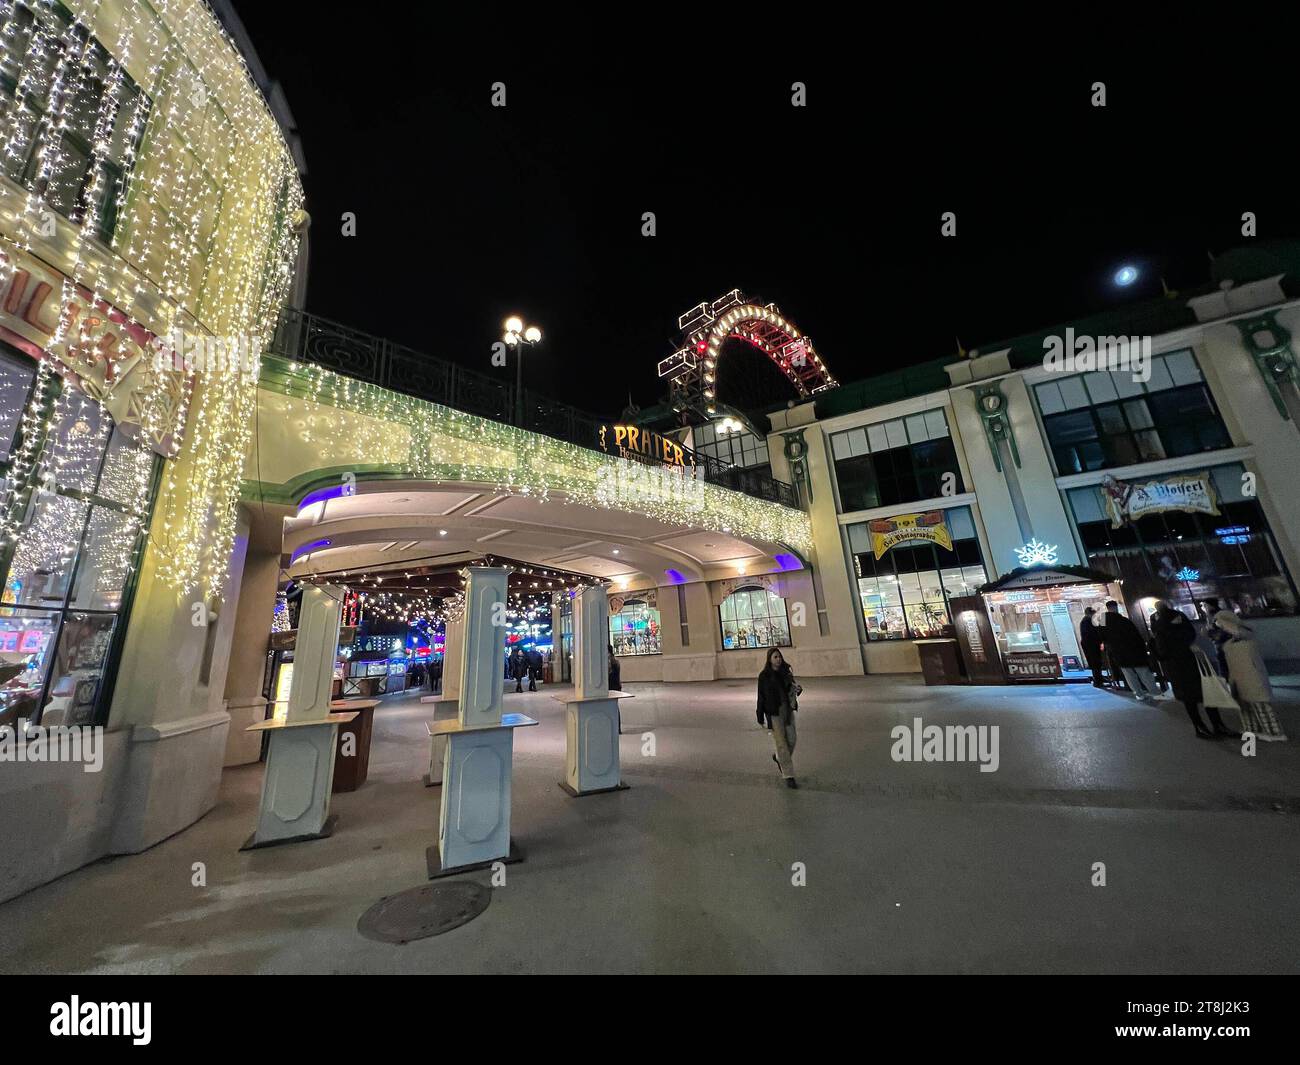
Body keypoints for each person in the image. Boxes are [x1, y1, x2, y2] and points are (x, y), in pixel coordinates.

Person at [1150, 600, 1236, 739]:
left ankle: (1200, 727)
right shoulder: (1180, 617)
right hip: (1193, 659)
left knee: (1189, 699)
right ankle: (1218, 725)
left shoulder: (1159, 625)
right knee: (1207, 692)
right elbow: (1191, 634)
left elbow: (1162, 653)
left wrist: (1153, 647)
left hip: (1176, 665)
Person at [1214, 611, 1287, 741]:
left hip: (1251, 674)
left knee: (1260, 704)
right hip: (1237, 676)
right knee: (1244, 705)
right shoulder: (1227, 639)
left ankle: (1275, 733)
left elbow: (1237, 631)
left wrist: (1222, 622)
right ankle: (1252, 729)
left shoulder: (1245, 633)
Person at [1097, 600, 1160, 703]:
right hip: (1132, 649)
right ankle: (1154, 692)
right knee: (1143, 671)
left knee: (1128, 673)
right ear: (1115, 607)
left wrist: (1109, 643)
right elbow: (1135, 635)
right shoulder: (1123, 620)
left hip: (1117, 650)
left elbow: (1101, 635)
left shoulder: (1103, 620)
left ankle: (1138, 694)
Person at [756, 647, 801, 789]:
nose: (778, 659)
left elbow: (792, 689)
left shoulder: (785, 673)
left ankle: (778, 757)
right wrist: (760, 714)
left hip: (787, 710)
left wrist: (798, 690)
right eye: (775, 657)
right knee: (781, 743)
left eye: (779, 657)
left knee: (792, 739)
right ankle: (789, 775)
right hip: (773, 712)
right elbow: (761, 696)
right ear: (769, 659)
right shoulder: (764, 676)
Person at [1199, 598, 1231, 679]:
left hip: (1224, 646)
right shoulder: (1214, 616)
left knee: (1226, 669)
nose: (1203, 607)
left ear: (1211, 606)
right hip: (1221, 646)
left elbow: (1223, 632)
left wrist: (1208, 633)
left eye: (1204, 605)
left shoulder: (1217, 616)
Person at [1079, 606, 1106, 688]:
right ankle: (1098, 681)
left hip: (1089, 644)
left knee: (1095, 663)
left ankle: (1099, 678)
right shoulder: (1088, 621)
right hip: (1091, 645)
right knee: (1096, 663)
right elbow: (1093, 633)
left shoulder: (1085, 621)